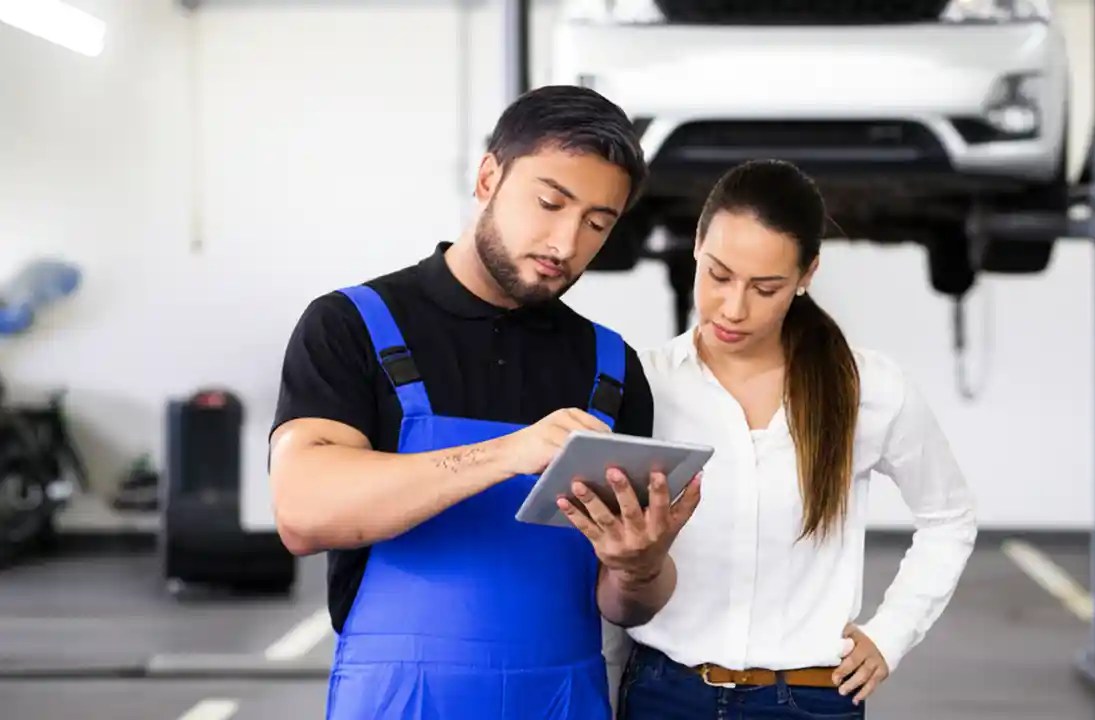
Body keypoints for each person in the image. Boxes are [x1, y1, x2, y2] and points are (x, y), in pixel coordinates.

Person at [267, 85, 701, 720]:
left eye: (596, 224)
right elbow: (303, 512)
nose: (565, 242)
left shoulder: (611, 368)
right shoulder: (351, 325)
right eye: (550, 202)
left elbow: (625, 605)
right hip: (401, 702)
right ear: (488, 176)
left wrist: (637, 566)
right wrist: (507, 452)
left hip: (560, 700)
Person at [614, 159, 978, 719]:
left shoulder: (869, 388)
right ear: (695, 246)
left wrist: (891, 634)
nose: (734, 308)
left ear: (807, 274)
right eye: (718, 275)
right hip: (665, 695)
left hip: (808, 701)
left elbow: (949, 518)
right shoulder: (647, 384)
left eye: (766, 288)